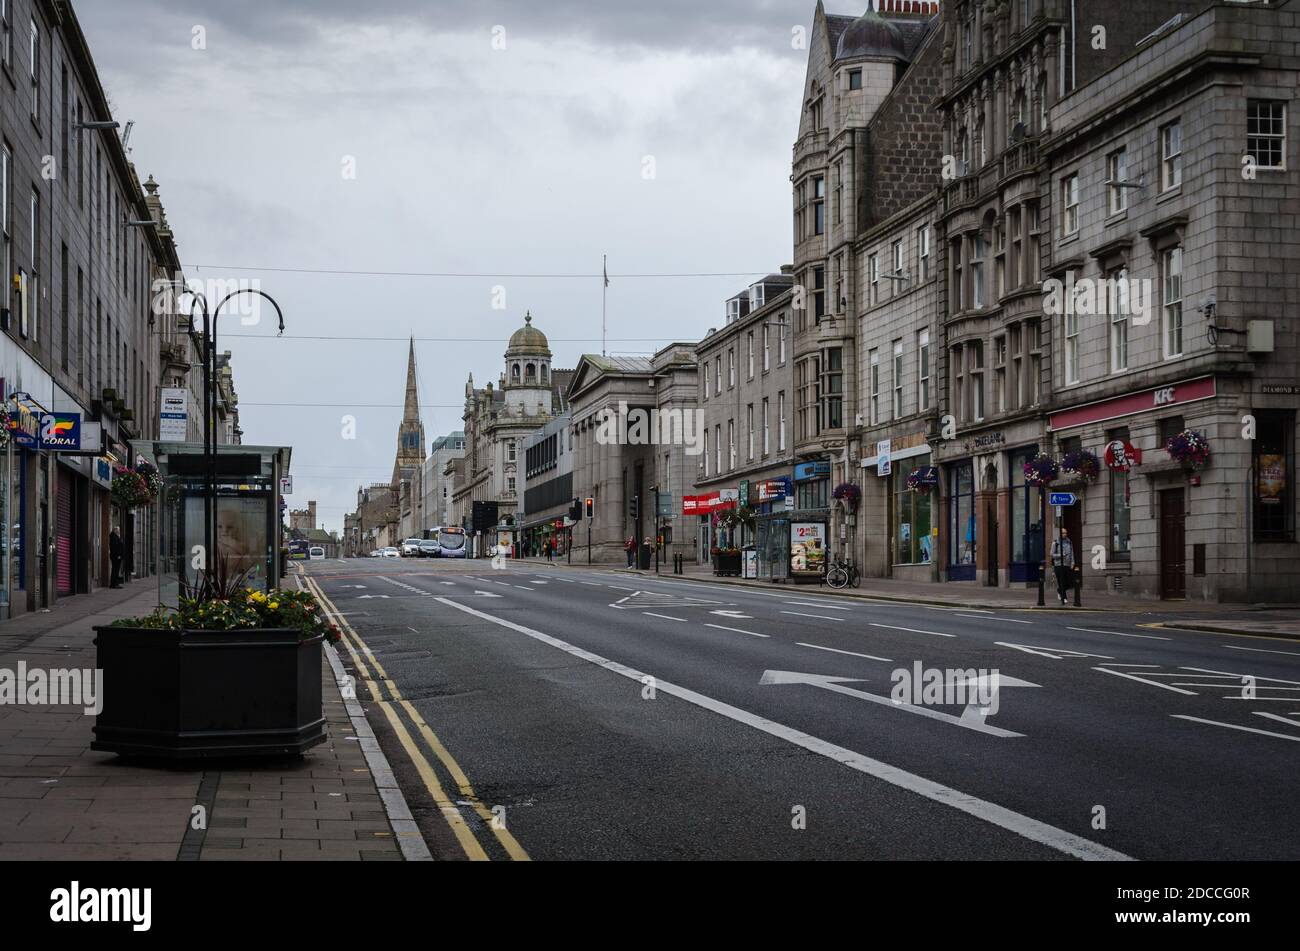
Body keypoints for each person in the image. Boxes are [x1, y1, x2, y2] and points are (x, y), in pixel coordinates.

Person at [1051, 527, 1075, 605]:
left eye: (1066, 533)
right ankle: (1064, 597)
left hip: (1067, 564)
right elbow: (1052, 554)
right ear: (1060, 534)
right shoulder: (1055, 543)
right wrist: (1060, 555)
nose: (1065, 534)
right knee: (1061, 581)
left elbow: (1072, 553)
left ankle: (1059, 590)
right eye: (1063, 533)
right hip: (1058, 565)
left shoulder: (1069, 542)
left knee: (1069, 583)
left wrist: (1072, 562)